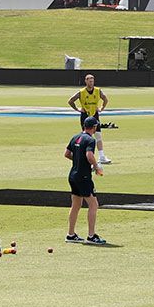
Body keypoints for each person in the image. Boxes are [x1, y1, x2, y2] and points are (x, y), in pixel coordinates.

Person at [64, 116, 105, 244]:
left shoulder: (75, 137)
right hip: (83, 177)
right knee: (93, 204)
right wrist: (96, 167)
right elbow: (89, 155)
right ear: (94, 127)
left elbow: (67, 154)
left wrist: (78, 160)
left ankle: (71, 234)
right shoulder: (90, 140)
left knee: (76, 205)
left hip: (73, 175)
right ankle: (91, 236)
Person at [68, 74, 112, 165]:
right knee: (86, 137)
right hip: (85, 116)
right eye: (89, 81)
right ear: (86, 81)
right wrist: (77, 109)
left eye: (92, 81)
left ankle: (102, 157)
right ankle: (86, 157)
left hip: (95, 115)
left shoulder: (98, 91)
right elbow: (70, 100)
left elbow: (105, 99)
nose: (91, 83)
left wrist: (101, 108)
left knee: (98, 135)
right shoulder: (81, 92)